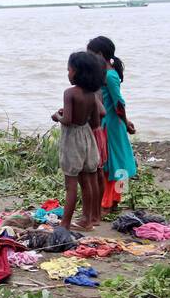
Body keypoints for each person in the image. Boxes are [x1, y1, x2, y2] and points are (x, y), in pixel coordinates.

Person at [51, 51, 104, 230]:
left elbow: (67, 120)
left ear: (77, 72)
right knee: (88, 181)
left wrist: (58, 115)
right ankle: (87, 220)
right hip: (88, 138)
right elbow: (96, 123)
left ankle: (65, 223)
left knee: (71, 185)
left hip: (72, 140)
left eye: (69, 70)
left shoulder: (70, 93)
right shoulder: (92, 95)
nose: (68, 74)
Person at [87, 35, 137, 211]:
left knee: (117, 164)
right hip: (109, 122)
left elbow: (118, 103)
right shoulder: (105, 74)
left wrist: (125, 121)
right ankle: (112, 200)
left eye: (91, 54)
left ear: (100, 54)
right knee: (113, 163)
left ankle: (111, 201)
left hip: (112, 125)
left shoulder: (109, 76)